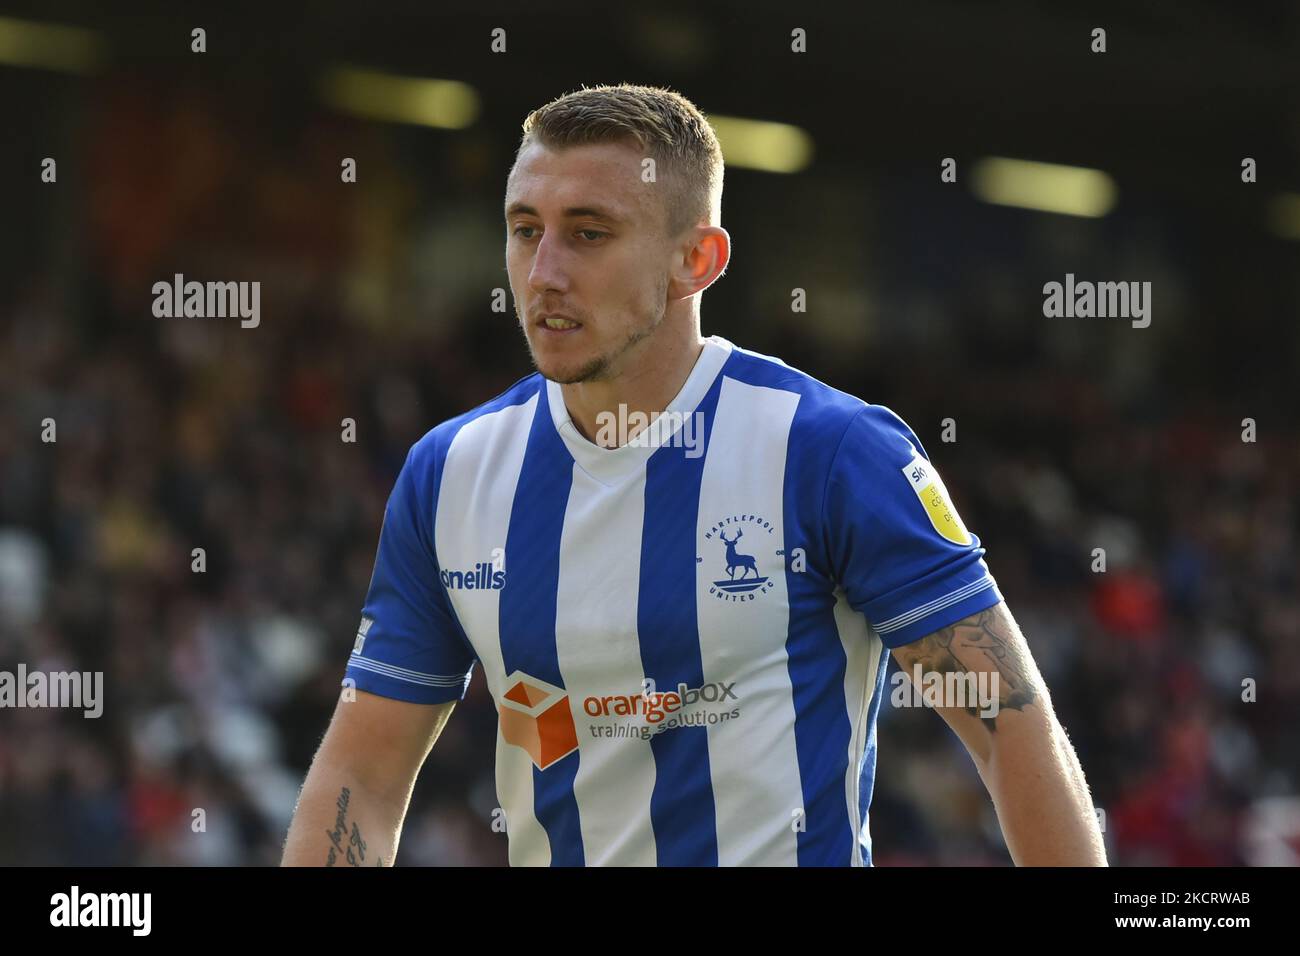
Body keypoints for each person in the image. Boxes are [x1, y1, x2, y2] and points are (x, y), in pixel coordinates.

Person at [282, 83, 1106, 867]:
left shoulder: (831, 453)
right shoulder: (450, 475)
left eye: (589, 232)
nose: (543, 274)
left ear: (697, 260)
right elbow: (363, 774)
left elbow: (1011, 728)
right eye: (526, 228)